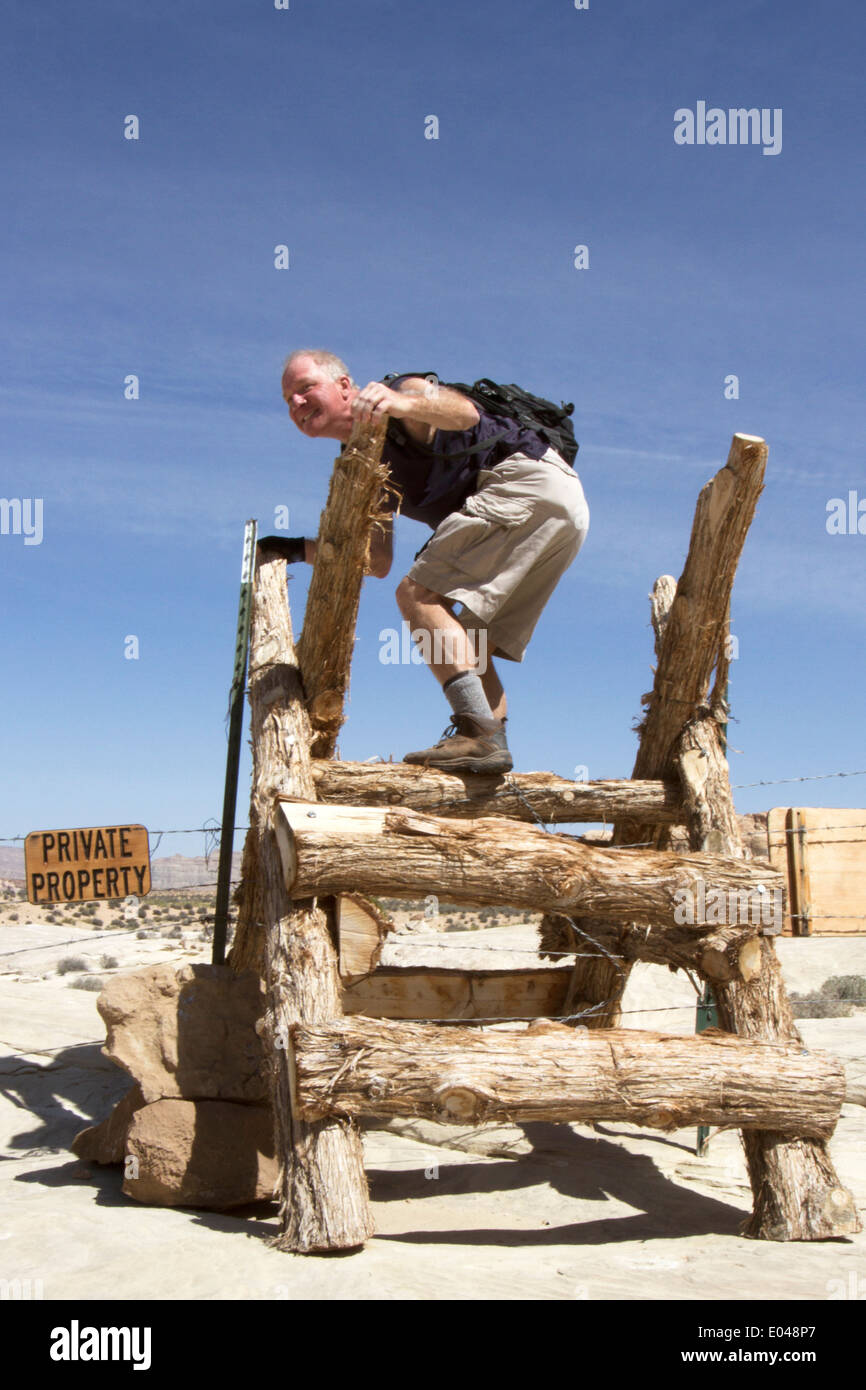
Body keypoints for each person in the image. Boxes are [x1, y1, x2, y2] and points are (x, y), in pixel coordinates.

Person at [262, 348, 589, 774]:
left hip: (525, 478)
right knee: (468, 637)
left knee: (418, 596)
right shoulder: (363, 459)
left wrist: (403, 403)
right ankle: (491, 745)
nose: (297, 405)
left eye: (305, 389)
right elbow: (376, 560)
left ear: (344, 386)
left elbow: (464, 413)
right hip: (563, 512)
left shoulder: (400, 395)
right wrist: (292, 549)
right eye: (288, 400)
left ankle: (478, 733)